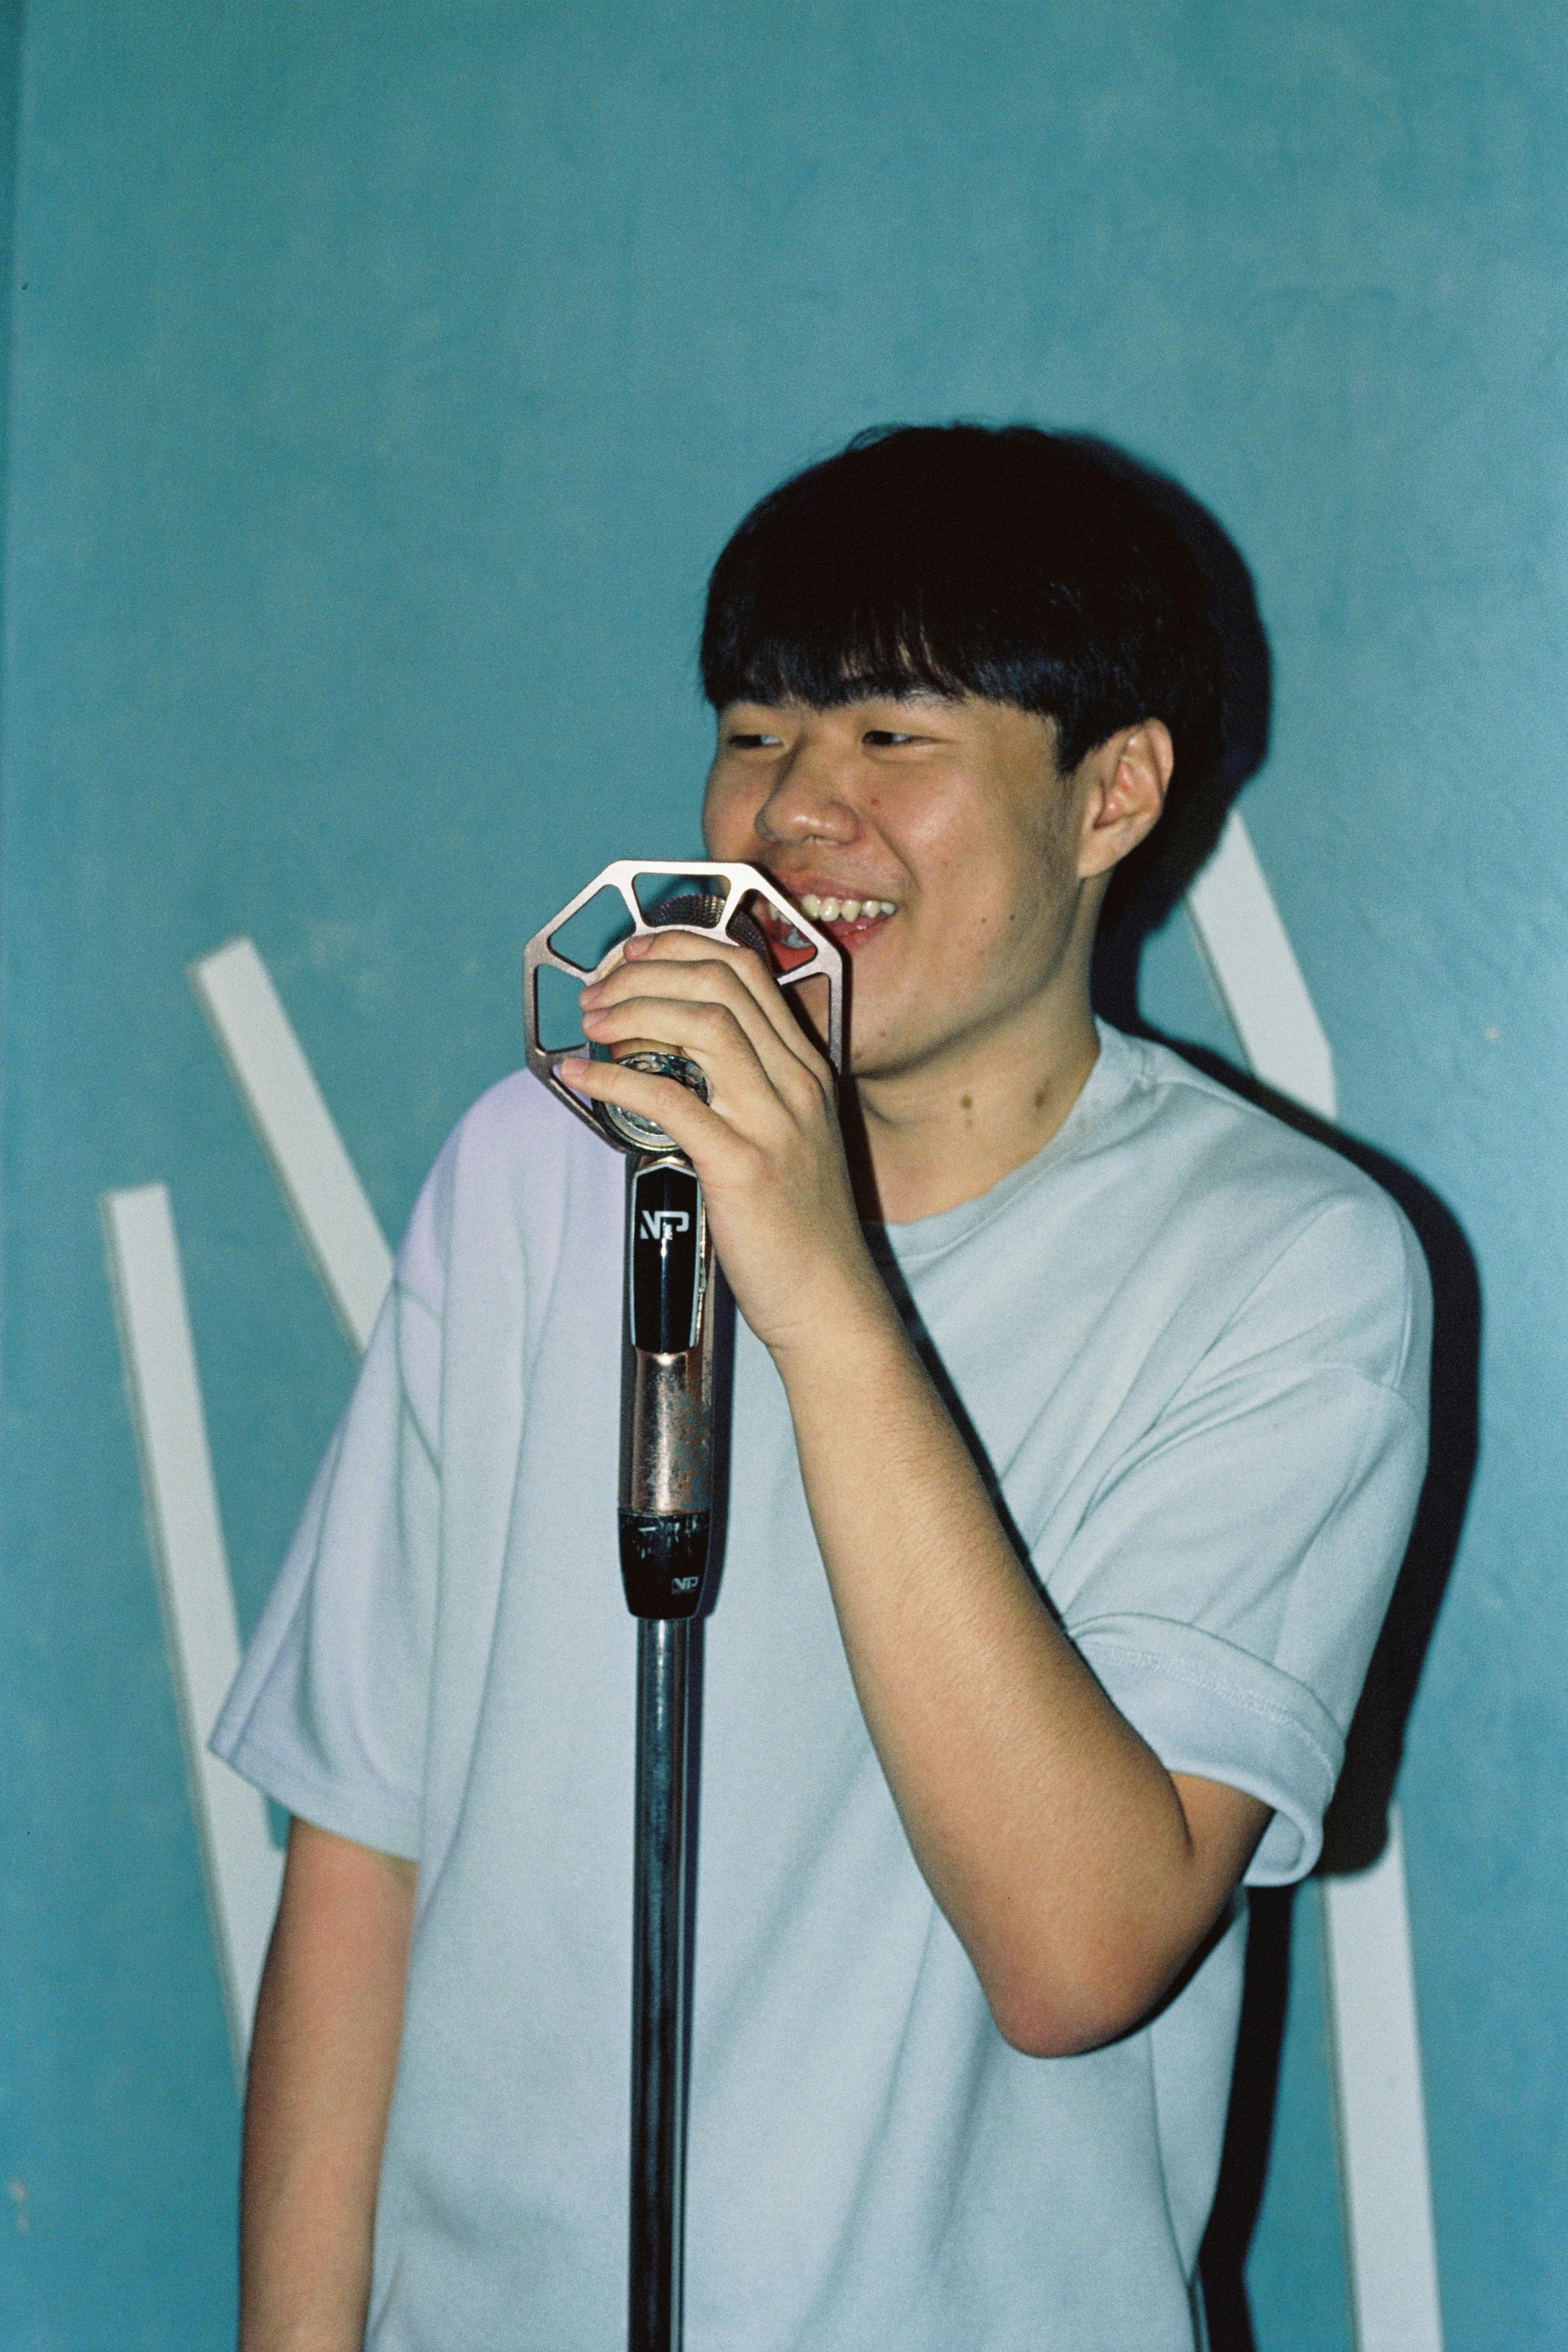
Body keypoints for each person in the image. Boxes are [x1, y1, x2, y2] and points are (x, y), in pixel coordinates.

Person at [215, 423, 1429, 2352]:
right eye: (760, 729)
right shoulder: (539, 1173)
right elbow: (365, 1843)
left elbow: (1078, 1950)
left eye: (896, 739)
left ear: (1112, 792)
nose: (798, 814)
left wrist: (822, 1286)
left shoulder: (1284, 1262)